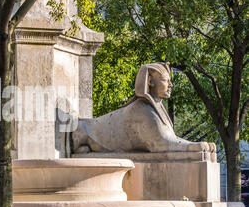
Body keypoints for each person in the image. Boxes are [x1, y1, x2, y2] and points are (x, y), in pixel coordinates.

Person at [72, 62, 216, 153]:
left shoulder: (153, 108)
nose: (171, 85)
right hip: (82, 133)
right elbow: (159, 144)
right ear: (151, 82)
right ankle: (86, 139)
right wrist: (194, 146)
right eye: (166, 81)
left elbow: (169, 139)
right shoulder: (142, 110)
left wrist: (193, 145)